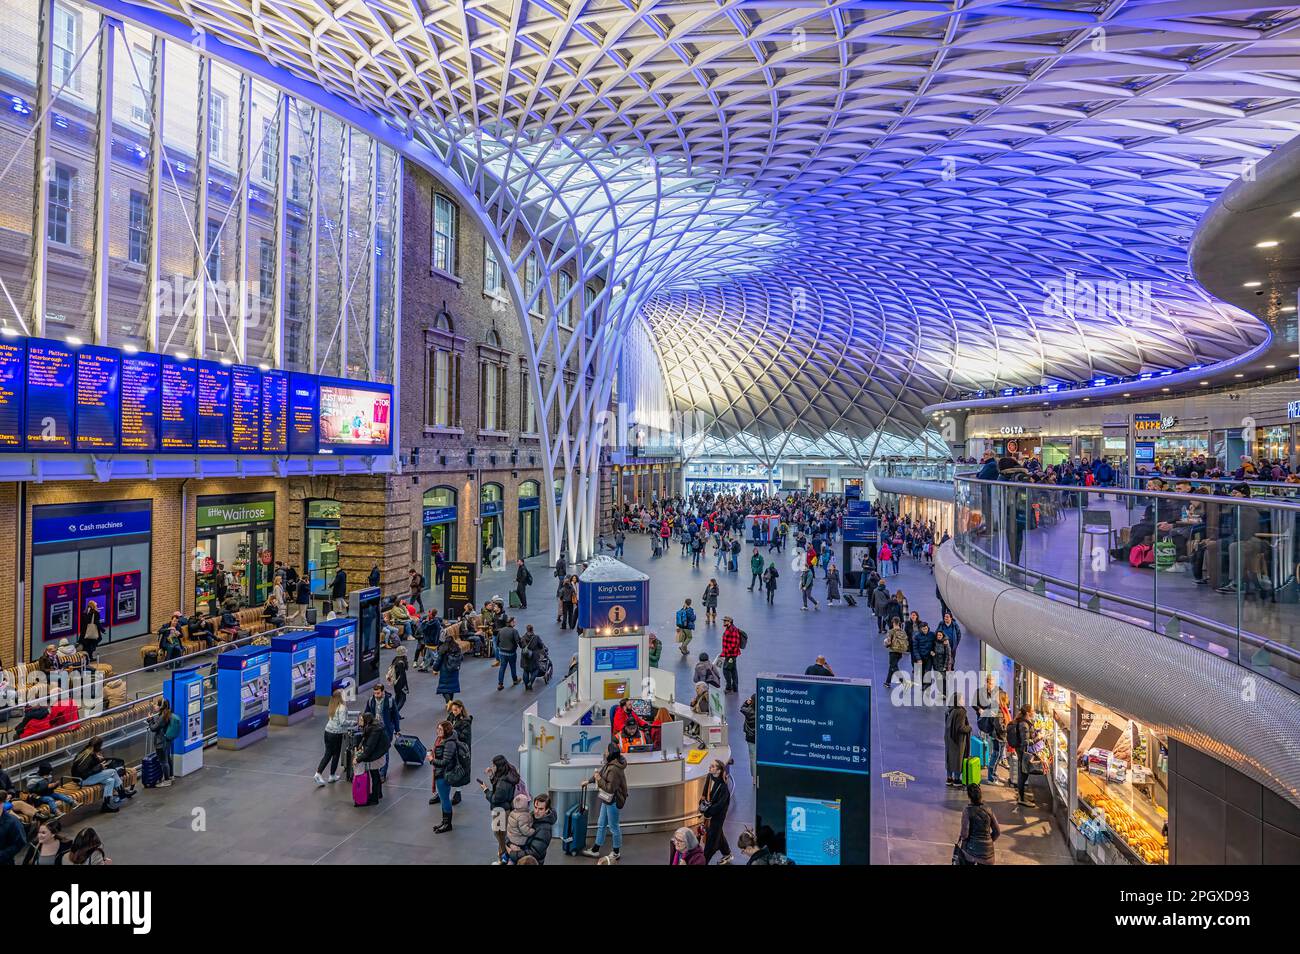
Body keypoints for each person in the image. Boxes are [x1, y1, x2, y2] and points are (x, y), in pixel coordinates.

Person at [583, 743, 628, 862]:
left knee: (614, 826)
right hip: (607, 799)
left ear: (611, 753)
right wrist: (589, 781)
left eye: (606, 751)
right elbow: (601, 773)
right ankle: (595, 849)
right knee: (601, 823)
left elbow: (610, 788)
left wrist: (598, 779)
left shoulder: (614, 769)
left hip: (613, 800)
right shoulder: (610, 763)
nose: (605, 753)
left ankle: (616, 852)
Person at [70, 736, 135, 814]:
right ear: (98, 746)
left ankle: (106, 805)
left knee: (111, 780)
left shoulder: (86, 752)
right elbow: (84, 772)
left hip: (85, 778)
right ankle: (122, 792)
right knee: (113, 771)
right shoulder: (88, 756)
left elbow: (91, 766)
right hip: (82, 780)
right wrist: (100, 767)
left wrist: (99, 760)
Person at [429, 719, 468, 833]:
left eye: (441, 729)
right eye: (438, 728)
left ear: (446, 730)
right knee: (442, 798)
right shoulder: (443, 740)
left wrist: (432, 760)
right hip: (441, 773)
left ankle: (447, 824)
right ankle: (444, 821)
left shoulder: (449, 743)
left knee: (445, 799)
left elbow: (445, 761)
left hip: (444, 774)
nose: (438, 731)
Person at [482, 755, 520, 862]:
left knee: (500, 836)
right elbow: (498, 787)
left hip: (500, 811)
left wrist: (486, 790)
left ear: (498, 766)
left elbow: (495, 798)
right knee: (502, 835)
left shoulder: (503, 783)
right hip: (506, 809)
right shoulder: (508, 774)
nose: (492, 767)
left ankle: (502, 858)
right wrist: (491, 777)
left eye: (493, 765)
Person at [363, 683, 400, 781]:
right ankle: (377, 769)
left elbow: (396, 716)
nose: (376, 695)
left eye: (378, 693)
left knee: (385, 751)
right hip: (374, 730)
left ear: (383, 692)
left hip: (386, 730)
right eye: (375, 693)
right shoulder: (371, 700)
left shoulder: (390, 701)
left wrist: (397, 730)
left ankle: (382, 773)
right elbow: (366, 713)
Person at [700, 758, 734, 863]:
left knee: (711, 841)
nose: (710, 767)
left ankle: (703, 861)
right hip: (710, 814)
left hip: (717, 816)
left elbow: (720, 806)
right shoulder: (709, 777)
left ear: (719, 771)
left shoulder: (723, 788)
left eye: (713, 766)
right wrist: (702, 804)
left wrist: (708, 812)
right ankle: (727, 853)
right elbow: (704, 793)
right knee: (718, 835)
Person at [314, 688, 350, 785]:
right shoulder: (342, 707)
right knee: (333, 754)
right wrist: (353, 723)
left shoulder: (332, 705)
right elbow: (343, 722)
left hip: (328, 732)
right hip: (336, 734)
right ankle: (319, 773)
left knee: (331, 753)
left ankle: (332, 775)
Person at [957, 784, 1000, 864]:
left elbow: (964, 835)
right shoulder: (988, 810)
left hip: (971, 853)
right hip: (989, 856)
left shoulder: (967, 811)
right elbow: (997, 832)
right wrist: (988, 841)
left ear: (969, 797)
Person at [355, 712, 389, 807]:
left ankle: (374, 798)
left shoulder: (374, 730)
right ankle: (378, 794)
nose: (359, 721)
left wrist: (358, 759)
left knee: (374, 775)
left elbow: (369, 748)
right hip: (379, 753)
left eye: (361, 720)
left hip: (377, 756)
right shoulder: (374, 727)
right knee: (376, 775)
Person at [1007, 705, 1036, 806]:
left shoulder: (1023, 721)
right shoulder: (1024, 724)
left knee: (1023, 773)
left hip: (1021, 751)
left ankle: (1021, 795)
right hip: (1023, 751)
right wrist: (1038, 738)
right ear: (1028, 713)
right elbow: (1026, 742)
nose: (1034, 712)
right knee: (1023, 774)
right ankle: (1022, 798)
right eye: (1033, 711)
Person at [147, 698, 181, 787]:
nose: (154, 706)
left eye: (156, 705)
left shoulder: (162, 717)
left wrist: (150, 720)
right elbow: (159, 725)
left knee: (163, 762)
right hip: (167, 741)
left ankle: (166, 780)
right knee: (167, 758)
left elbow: (154, 728)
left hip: (161, 742)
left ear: (161, 707)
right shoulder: (167, 714)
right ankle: (171, 776)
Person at [521, 794, 557, 864]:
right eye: (535, 807)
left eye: (540, 809)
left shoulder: (545, 829)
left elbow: (534, 852)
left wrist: (513, 853)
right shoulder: (531, 817)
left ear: (547, 810)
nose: (536, 811)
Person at [945, 696, 972, 786]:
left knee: (949, 757)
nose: (964, 701)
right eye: (962, 699)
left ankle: (949, 778)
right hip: (958, 740)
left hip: (949, 738)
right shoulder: (961, 711)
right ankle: (956, 779)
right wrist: (969, 728)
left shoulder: (950, 710)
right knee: (958, 759)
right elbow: (960, 728)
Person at [503, 793, 535, 863]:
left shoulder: (513, 812)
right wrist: (532, 831)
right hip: (519, 841)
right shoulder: (522, 816)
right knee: (515, 856)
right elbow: (524, 830)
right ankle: (510, 861)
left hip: (511, 838)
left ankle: (504, 858)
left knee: (509, 853)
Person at [495, 616, 521, 690]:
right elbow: (518, 641)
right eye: (514, 622)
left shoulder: (501, 630)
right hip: (511, 653)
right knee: (513, 666)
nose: (515, 623)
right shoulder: (514, 631)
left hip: (502, 653)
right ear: (511, 622)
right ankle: (515, 680)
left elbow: (497, 642)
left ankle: (500, 684)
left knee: (502, 667)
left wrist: (499, 648)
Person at [520, 625, 549, 690]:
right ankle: (530, 683)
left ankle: (526, 686)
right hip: (533, 657)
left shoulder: (523, 637)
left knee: (526, 670)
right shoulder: (536, 637)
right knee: (536, 670)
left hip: (525, 656)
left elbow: (521, 646)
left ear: (527, 630)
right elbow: (541, 646)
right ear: (532, 630)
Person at [719, 616, 743, 692]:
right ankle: (735, 687)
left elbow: (734, 644)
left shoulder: (733, 630)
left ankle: (729, 687)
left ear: (729, 622)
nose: (724, 622)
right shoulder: (729, 629)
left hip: (731, 655)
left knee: (726, 670)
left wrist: (725, 653)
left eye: (725, 621)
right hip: (730, 654)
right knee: (733, 670)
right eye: (724, 621)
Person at [883, 619, 910, 685]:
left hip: (893, 651)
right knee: (892, 666)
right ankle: (887, 682)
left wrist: (885, 644)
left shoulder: (891, 631)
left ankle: (903, 681)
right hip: (900, 652)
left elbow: (888, 642)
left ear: (893, 623)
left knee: (894, 667)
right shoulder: (903, 632)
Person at [740, 694, 756, 779]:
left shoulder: (748, 711)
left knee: (752, 757)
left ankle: (754, 778)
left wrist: (747, 702)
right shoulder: (763, 712)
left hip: (750, 737)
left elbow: (742, 708)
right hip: (760, 737)